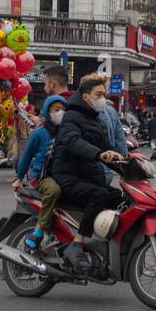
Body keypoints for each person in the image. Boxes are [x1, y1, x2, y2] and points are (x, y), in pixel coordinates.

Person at [49, 73, 126, 272]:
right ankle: (77, 243)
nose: (103, 99)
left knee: (120, 197)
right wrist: (99, 154)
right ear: (85, 97)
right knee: (99, 195)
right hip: (67, 176)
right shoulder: (72, 117)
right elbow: (74, 142)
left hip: (85, 176)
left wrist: (129, 163)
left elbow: (109, 148)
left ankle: (100, 244)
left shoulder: (92, 119)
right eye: (98, 95)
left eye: (104, 95)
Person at [14, 94, 68, 251]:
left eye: (63, 110)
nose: (60, 113)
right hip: (41, 176)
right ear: (47, 111)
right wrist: (19, 177)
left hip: (59, 174)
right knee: (53, 191)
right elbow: (26, 156)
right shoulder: (39, 133)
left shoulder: (65, 132)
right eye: (56, 109)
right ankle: (38, 230)